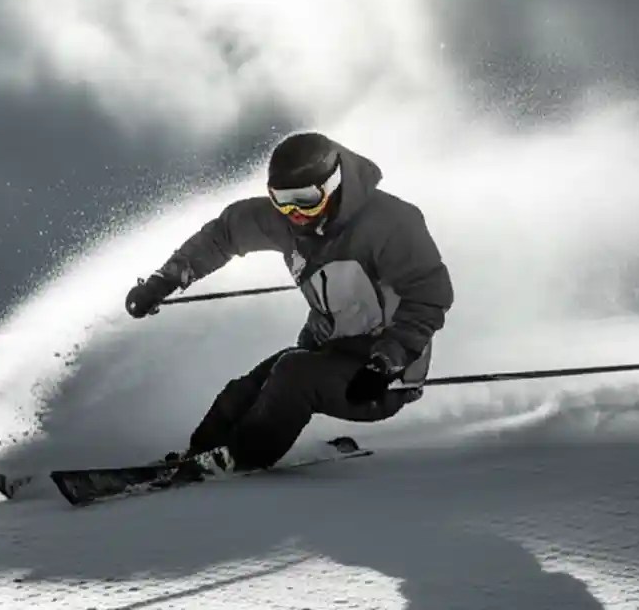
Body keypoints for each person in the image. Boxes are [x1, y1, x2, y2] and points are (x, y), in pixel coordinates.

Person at [124, 131, 453, 477]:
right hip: (331, 352)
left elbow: (428, 296)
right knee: (252, 386)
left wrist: (386, 363)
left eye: (306, 199)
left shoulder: (389, 222)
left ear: (333, 184)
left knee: (293, 375)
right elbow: (223, 235)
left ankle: (242, 457)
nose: (294, 213)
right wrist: (165, 280)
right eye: (282, 200)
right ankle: (200, 453)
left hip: (382, 377)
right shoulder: (285, 221)